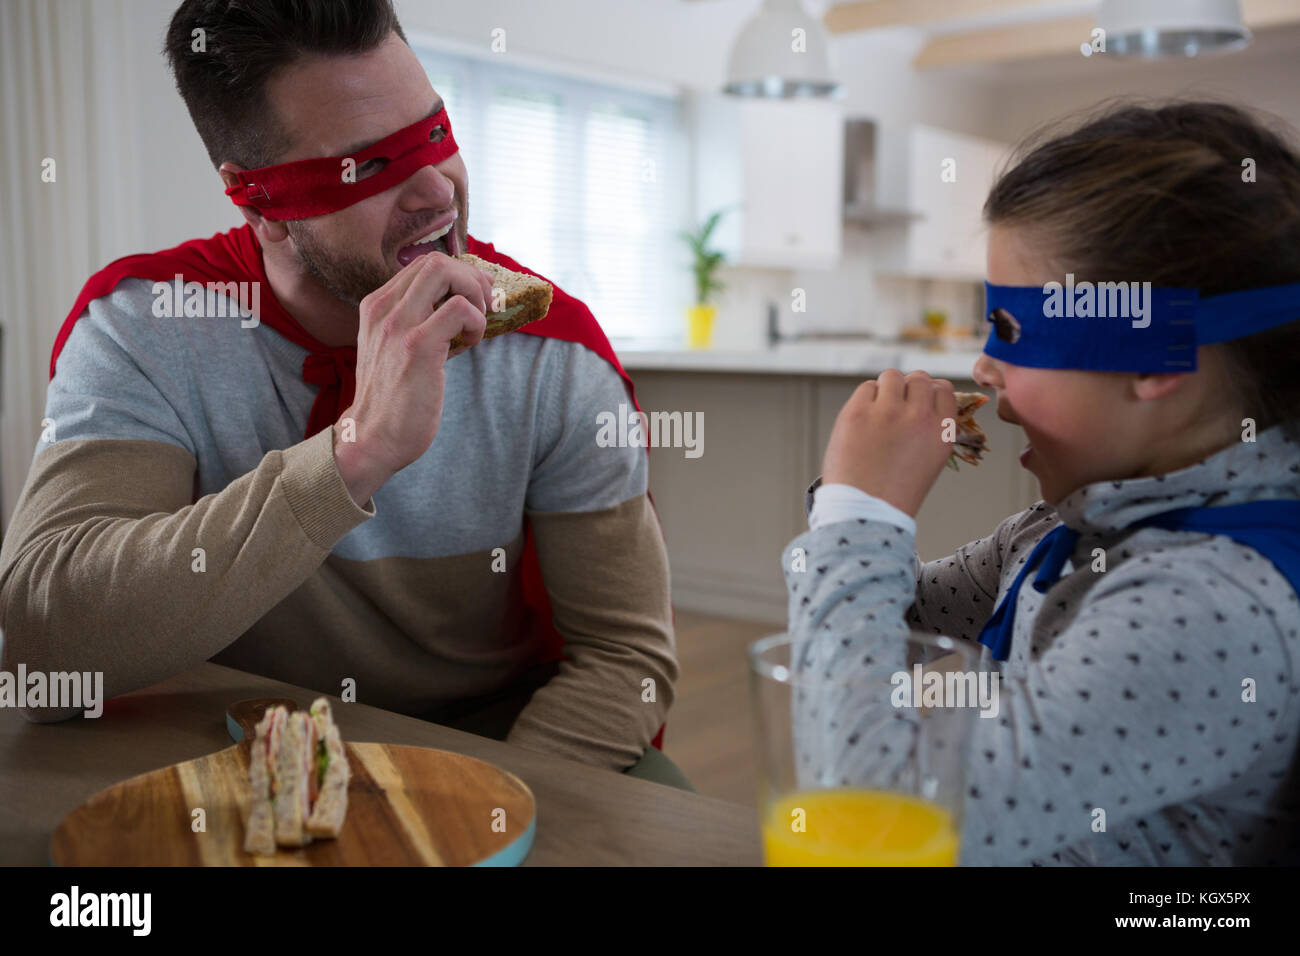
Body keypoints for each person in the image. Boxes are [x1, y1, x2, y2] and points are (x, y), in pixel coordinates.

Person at [0, 0, 683, 786]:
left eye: (433, 132)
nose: (436, 190)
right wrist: (353, 455)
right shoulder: (142, 328)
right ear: (259, 202)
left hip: (496, 736)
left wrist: (476, 807)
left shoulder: (555, 352)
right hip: (231, 730)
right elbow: (41, 650)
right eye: (368, 166)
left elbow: (625, 658)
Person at [783, 100, 1300, 864]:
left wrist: (860, 513)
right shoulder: (1075, 526)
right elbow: (900, 619)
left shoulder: (1207, 605)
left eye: (1013, 330)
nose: (983, 367)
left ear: (1154, 356)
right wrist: (853, 512)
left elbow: (872, 814)